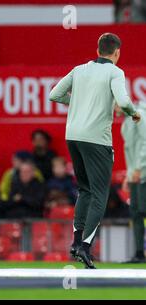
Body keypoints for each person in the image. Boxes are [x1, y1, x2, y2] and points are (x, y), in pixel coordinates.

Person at [49, 33, 140, 269]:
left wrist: (80, 102)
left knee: (85, 190)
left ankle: (76, 240)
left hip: (73, 136)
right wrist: (133, 113)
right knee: (100, 193)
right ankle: (85, 247)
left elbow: (54, 94)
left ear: (97, 49)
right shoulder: (115, 72)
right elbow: (125, 100)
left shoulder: (79, 69)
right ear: (117, 52)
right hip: (97, 139)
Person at [120, 102, 146, 262]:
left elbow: (145, 142)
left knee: (142, 210)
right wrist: (129, 175)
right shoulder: (128, 118)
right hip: (137, 173)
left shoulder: (138, 114)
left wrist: (139, 167)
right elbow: (132, 148)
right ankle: (138, 253)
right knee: (135, 212)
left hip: (143, 172)